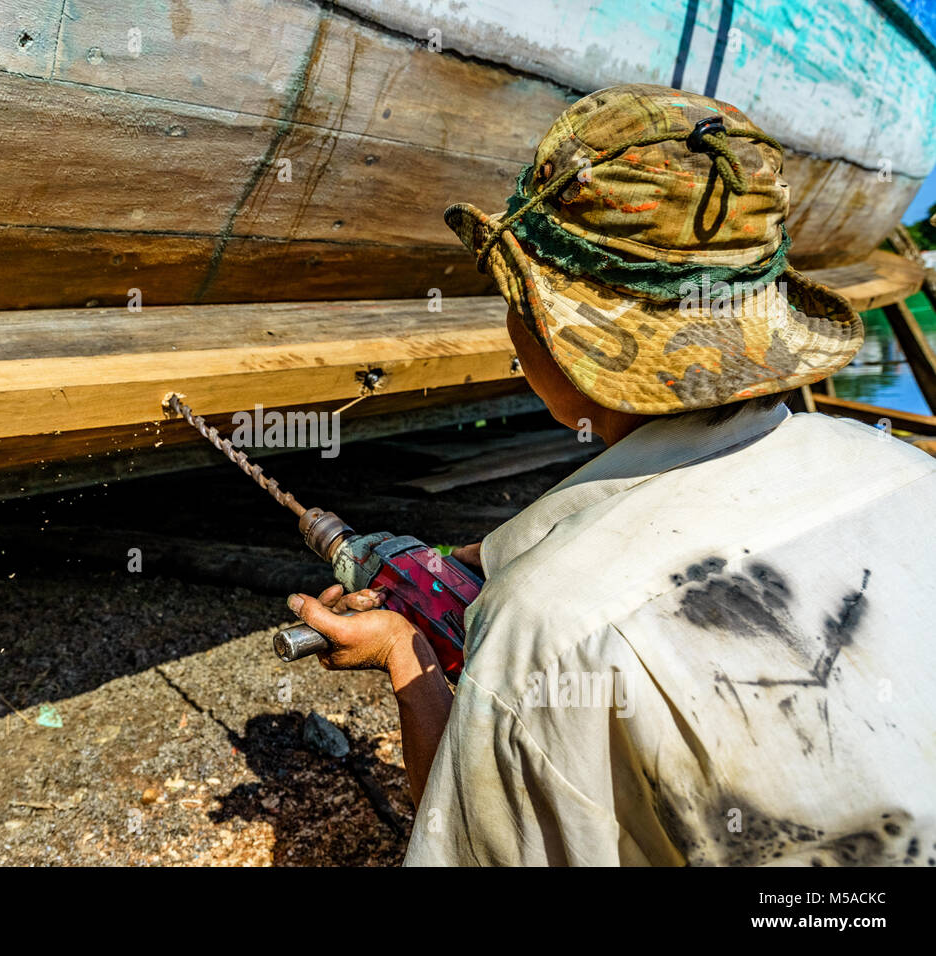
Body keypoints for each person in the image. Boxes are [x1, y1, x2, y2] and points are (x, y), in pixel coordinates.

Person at [285, 84, 936, 866]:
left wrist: (405, 655)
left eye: (514, 290)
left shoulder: (548, 628)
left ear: (554, 333)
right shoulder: (904, 471)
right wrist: (482, 563)